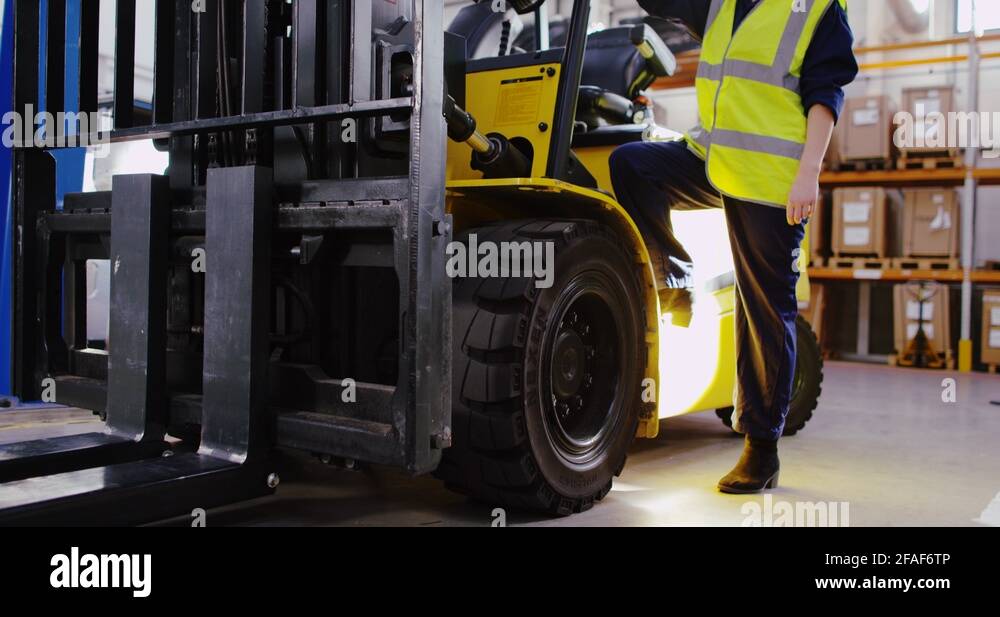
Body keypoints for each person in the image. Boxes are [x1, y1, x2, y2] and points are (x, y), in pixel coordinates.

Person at [611, 0, 858, 493]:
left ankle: (761, 450)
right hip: (713, 161)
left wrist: (809, 173)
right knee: (633, 165)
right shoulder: (722, 4)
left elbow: (825, 93)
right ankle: (675, 278)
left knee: (764, 311)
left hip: (771, 182)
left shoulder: (814, 10)